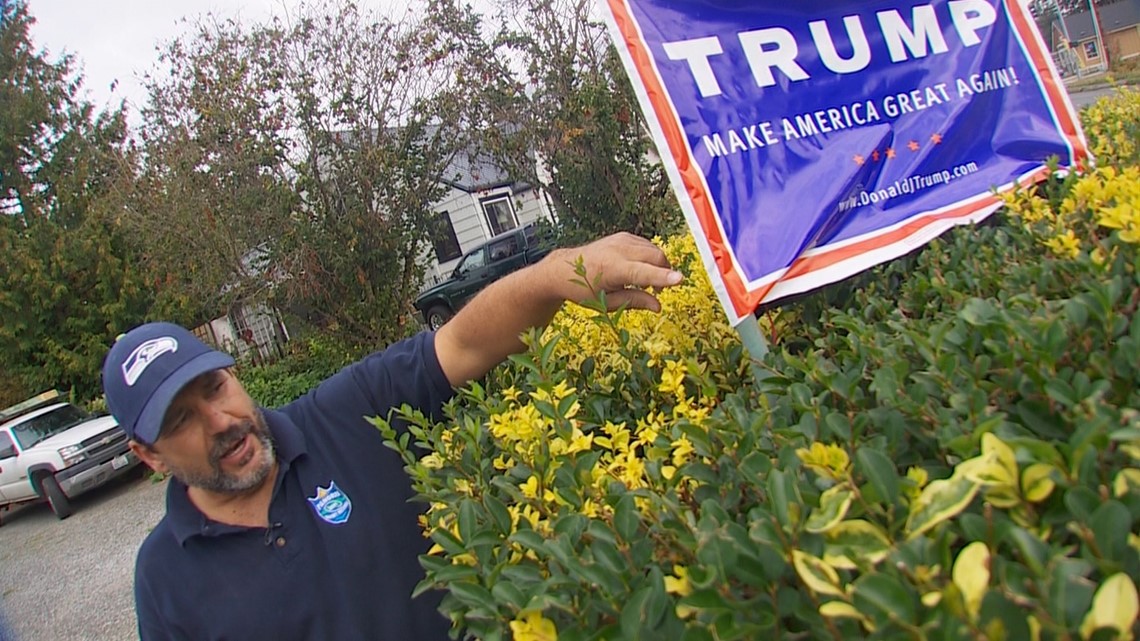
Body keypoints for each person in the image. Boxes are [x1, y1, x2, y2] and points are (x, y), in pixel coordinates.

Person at [101, 232, 683, 641]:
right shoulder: (165, 579)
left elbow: (461, 344)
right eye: (181, 420)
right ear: (148, 456)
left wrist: (555, 275)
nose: (220, 420)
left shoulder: (344, 415)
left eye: (214, 387)